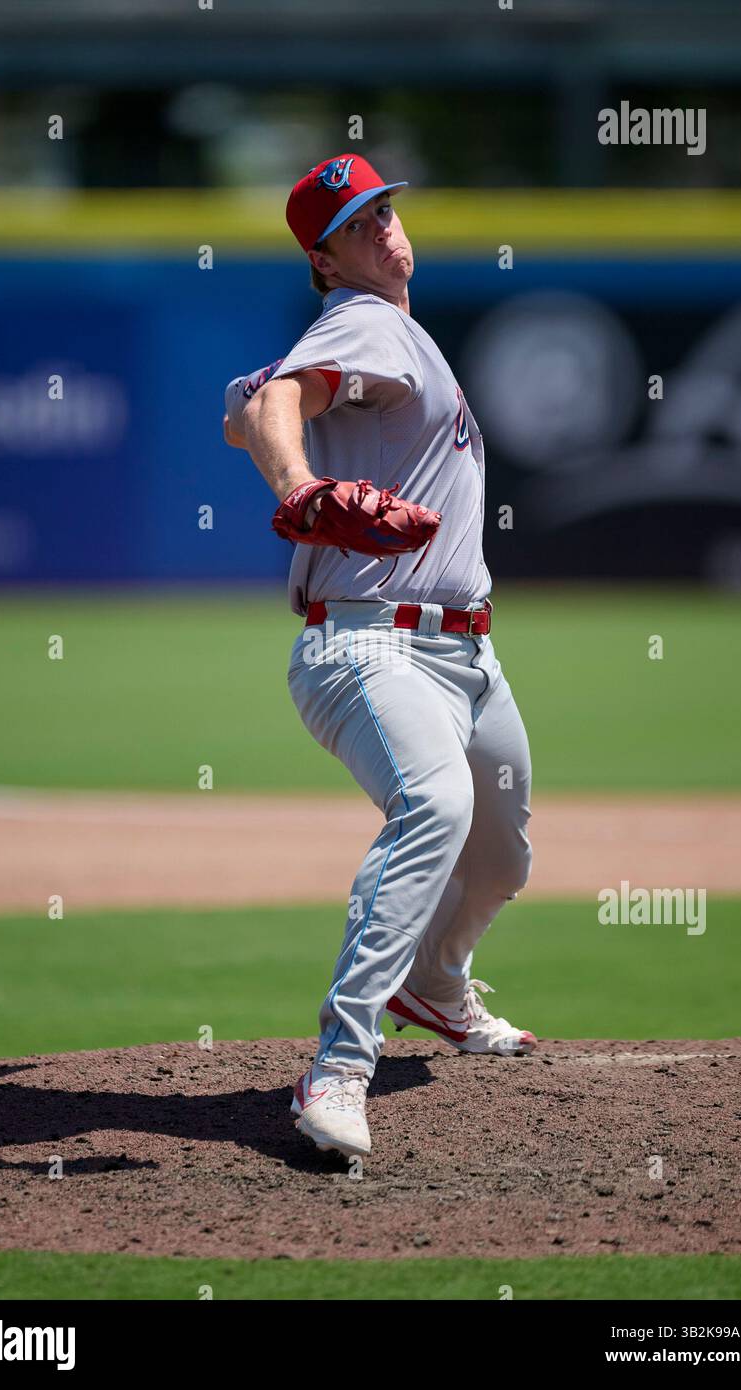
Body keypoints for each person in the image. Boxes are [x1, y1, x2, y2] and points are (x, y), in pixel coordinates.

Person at [223, 154, 535, 1160]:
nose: (384, 230)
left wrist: (269, 427)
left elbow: (253, 402)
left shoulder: (384, 331)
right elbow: (275, 408)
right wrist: (302, 489)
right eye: (358, 223)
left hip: (464, 658)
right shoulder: (364, 319)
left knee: (499, 858)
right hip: (369, 646)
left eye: (385, 208)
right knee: (434, 808)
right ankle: (339, 1065)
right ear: (325, 257)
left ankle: (433, 985)